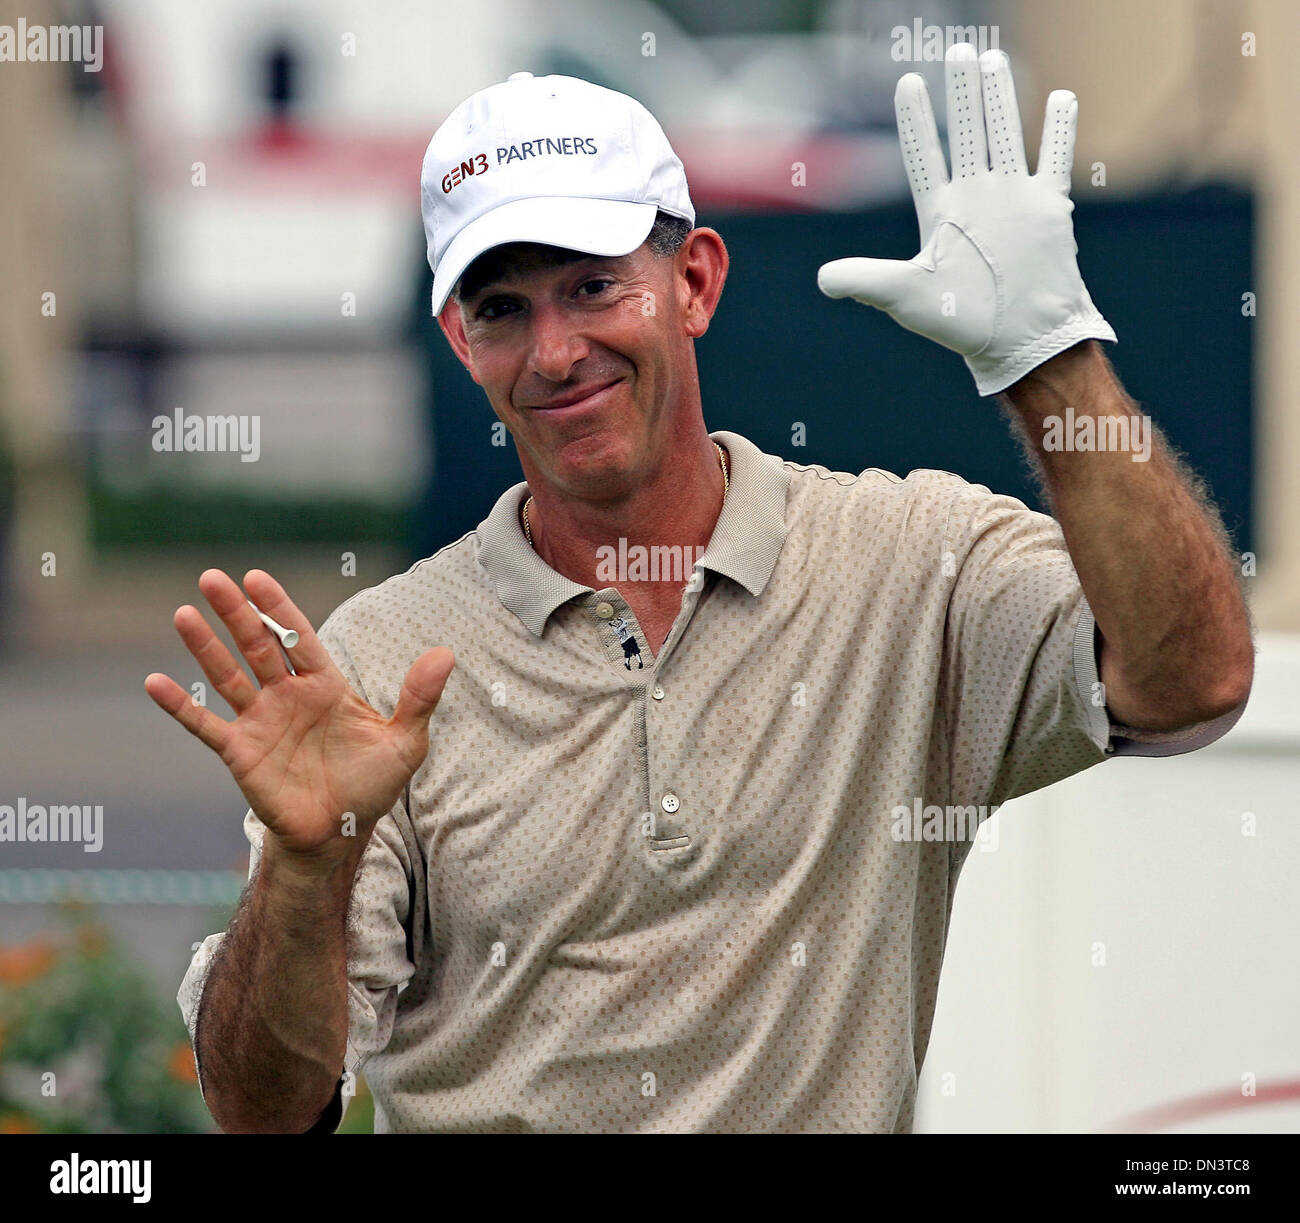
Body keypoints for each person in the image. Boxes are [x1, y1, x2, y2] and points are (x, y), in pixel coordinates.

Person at [150, 50, 1254, 1133]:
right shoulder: (386, 660)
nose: (554, 349)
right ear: (458, 339)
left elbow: (1191, 681)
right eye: (500, 307)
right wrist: (309, 861)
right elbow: (263, 1109)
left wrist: (1051, 355)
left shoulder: (915, 559)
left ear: (696, 281)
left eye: (591, 284)